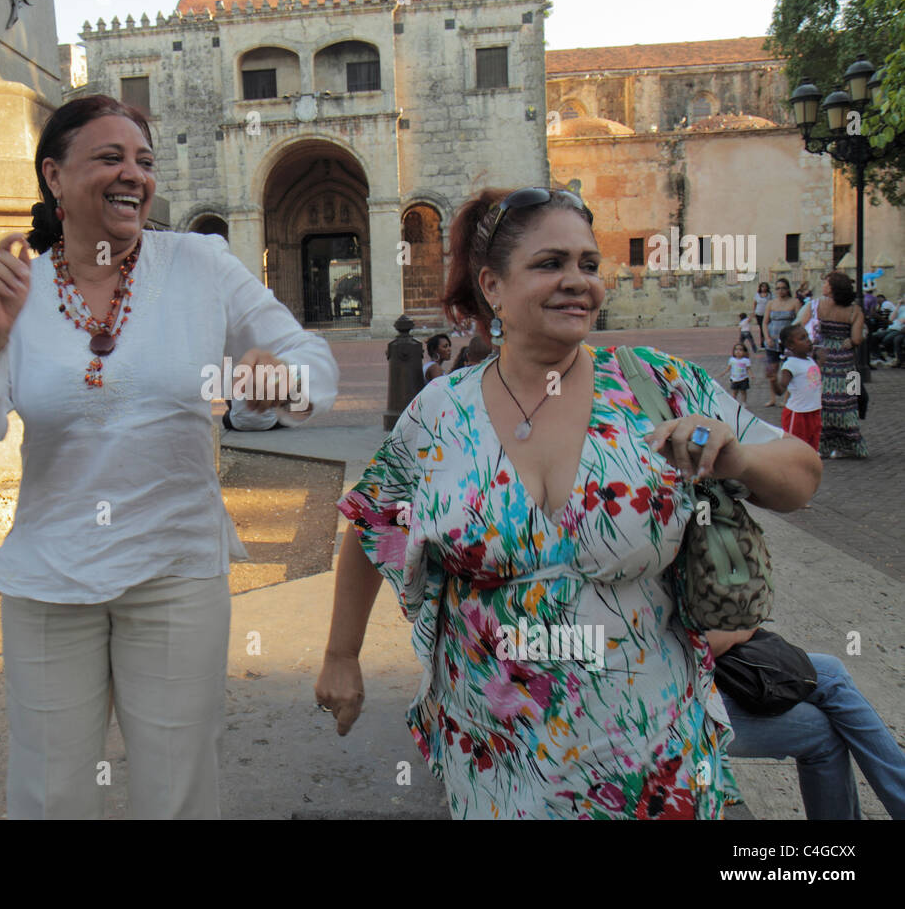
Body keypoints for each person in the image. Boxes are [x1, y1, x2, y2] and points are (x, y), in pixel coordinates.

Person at [315, 186, 821, 819]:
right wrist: (341, 657)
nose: (577, 281)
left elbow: (802, 478)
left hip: (646, 747)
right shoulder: (440, 413)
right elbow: (371, 527)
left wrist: (736, 457)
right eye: (550, 263)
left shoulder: (654, 382)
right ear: (493, 286)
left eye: (588, 264)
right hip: (496, 751)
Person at [0, 95, 339, 819]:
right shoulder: (17, 288)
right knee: (50, 795)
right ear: (54, 175)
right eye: (110, 158)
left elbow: (313, 367)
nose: (134, 175)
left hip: (177, 568)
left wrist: (281, 381)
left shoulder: (199, 264)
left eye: (144, 162)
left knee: (178, 793)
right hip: (51, 576)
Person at [709, 629, 905, 820]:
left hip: (708, 671)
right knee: (821, 733)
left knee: (831, 672)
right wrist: (738, 629)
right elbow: (700, 643)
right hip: (691, 705)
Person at [810, 271, 868, 459]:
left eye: (826, 283)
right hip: (846, 361)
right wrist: (850, 342)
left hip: (823, 356)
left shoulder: (816, 305)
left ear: (833, 287)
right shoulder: (854, 310)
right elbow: (857, 338)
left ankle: (823, 444)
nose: (823, 285)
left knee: (823, 399)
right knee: (848, 400)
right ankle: (849, 444)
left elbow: (803, 325)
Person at [776, 324, 821, 453]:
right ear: (791, 346)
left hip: (814, 411)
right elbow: (781, 389)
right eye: (802, 338)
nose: (808, 340)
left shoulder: (810, 360)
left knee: (812, 450)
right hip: (798, 414)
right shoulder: (790, 364)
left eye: (807, 336)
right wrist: (773, 380)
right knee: (795, 450)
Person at [761, 277, 801, 407]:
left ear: (788, 289)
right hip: (772, 340)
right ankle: (773, 398)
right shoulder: (771, 303)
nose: (780, 290)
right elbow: (765, 322)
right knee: (772, 369)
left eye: (783, 288)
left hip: (788, 342)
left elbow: (800, 321)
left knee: (788, 369)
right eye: (778, 288)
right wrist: (767, 338)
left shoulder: (794, 302)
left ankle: (786, 398)